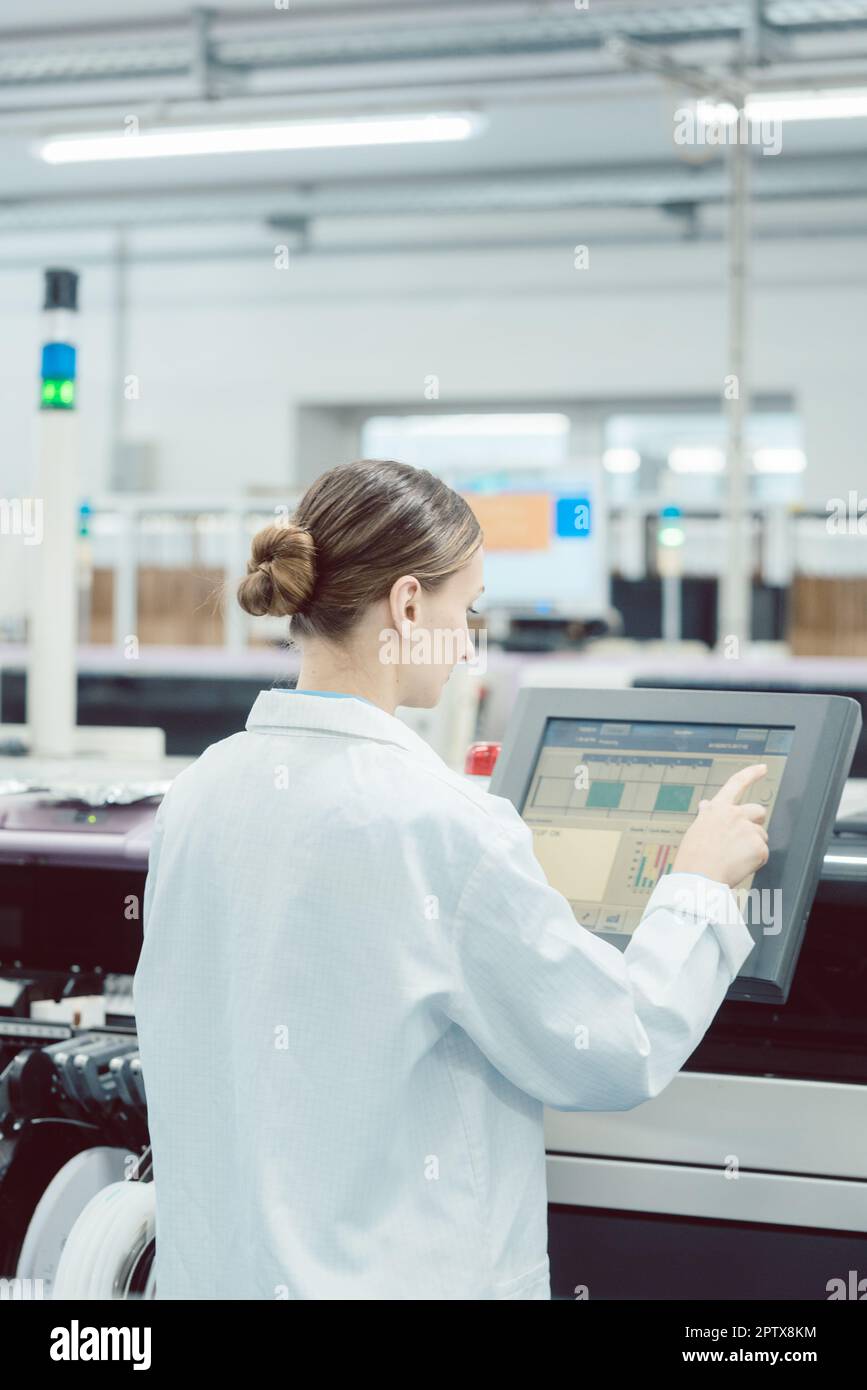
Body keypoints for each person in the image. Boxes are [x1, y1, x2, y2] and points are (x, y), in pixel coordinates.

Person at [133, 458, 767, 1300]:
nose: (468, 641)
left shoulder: (201, 790)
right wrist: (697, 883)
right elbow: (617, 1047)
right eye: (464, 610)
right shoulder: (439, 823)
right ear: (405, 604)